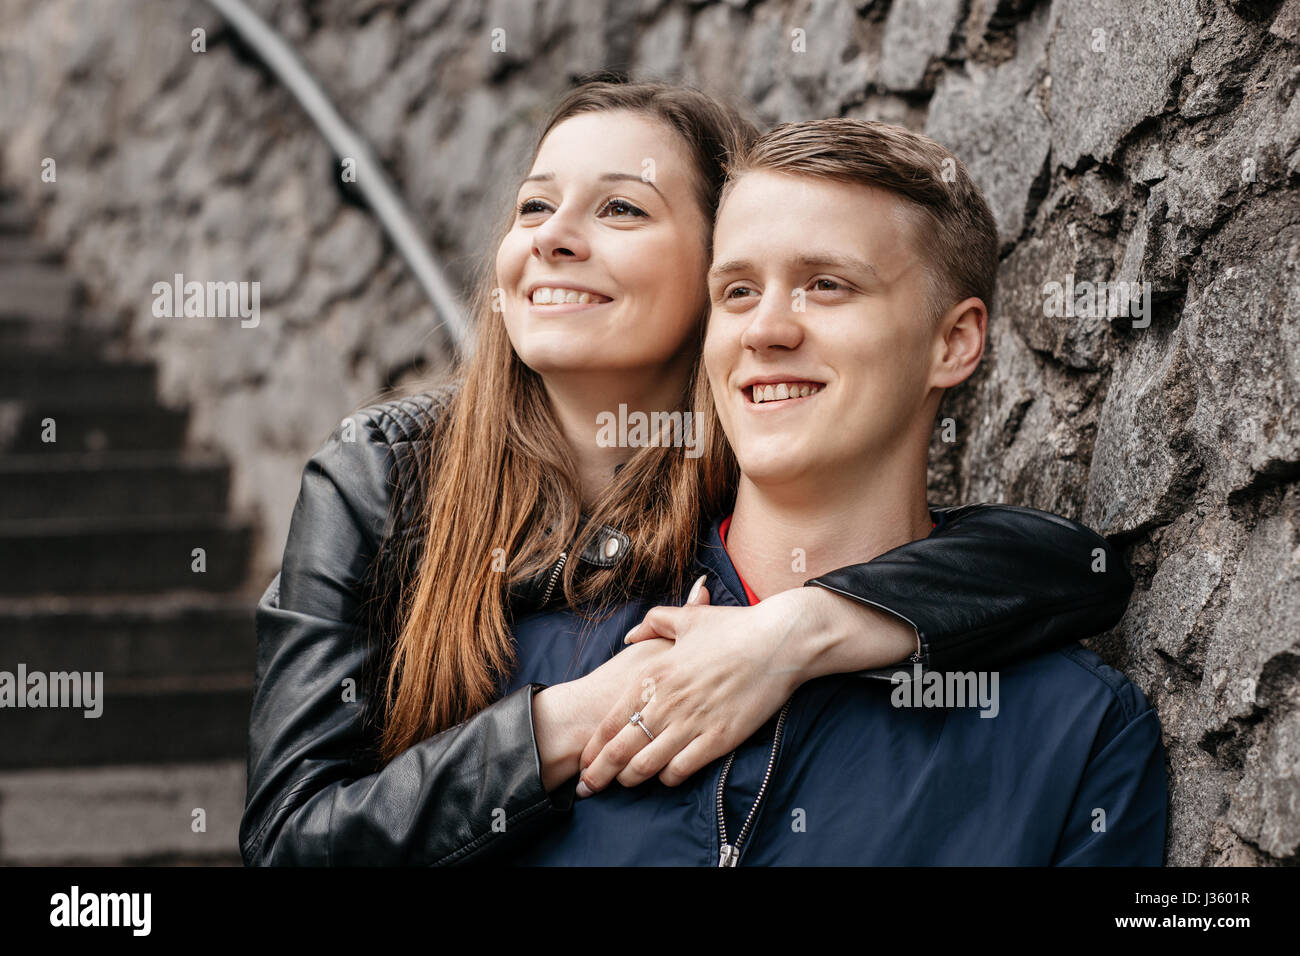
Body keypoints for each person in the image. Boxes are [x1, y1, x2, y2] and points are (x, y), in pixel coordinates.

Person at [240, 80, 1134, 867]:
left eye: (621, 209)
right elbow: (291, 835)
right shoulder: (386, 475)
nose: (552, 239)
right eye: (533, 207)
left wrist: (790, 633)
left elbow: (1060, 569)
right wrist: (571, 723)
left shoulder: (748, 472)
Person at [500, 117, 1167, 865]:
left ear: (953, 343)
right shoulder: (543, 666)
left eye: (827, 285)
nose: (767, 330)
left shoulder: (1073, 730)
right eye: (739, 290)